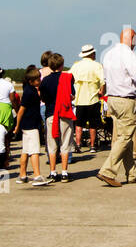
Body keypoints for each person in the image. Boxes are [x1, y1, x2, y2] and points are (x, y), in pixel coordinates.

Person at [98, 27, 136, 186]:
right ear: (132, 39)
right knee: (126, 137)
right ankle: (107, 170)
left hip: (112, 99)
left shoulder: (109, 53)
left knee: (124, 138)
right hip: (126, 99)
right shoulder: (128, 54)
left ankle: (132, 173)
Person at [40, 53, 76, 182]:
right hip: (65, 113)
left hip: (51, 114)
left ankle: (53, 171)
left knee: (52, 144)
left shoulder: (45, 80)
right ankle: (65, 172)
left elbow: (43, 98)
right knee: (65, 143)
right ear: (62, 65)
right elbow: (72, 95)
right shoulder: (67, 78)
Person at [15, 67, 49, 186]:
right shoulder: (29, 93)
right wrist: (17, 126)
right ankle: (37, 175)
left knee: (25, 150)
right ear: (31, 81)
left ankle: (22, 175)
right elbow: (21, 110)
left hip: (27, 125)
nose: (39, 81)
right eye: (37, 80)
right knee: (34, 151)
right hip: (31, 125)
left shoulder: (30, 90)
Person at [71, 45, 106, 154]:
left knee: (79, 124)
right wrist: (102, 91)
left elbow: (69, 77)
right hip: (93, 99)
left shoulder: (76, 66)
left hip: (79, 99)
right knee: (93, 124)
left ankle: (78, 144)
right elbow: (103, 81)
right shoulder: (97, 65)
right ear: (91, 54)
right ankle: (92, 146)